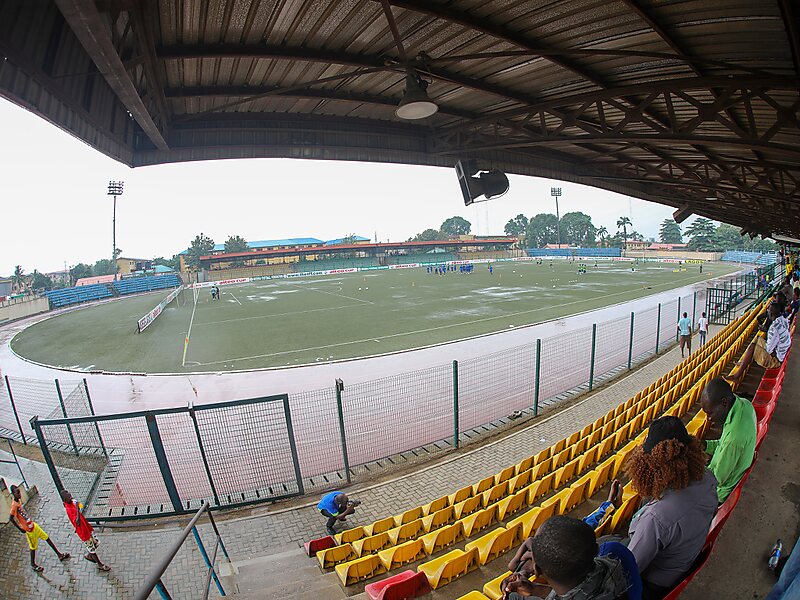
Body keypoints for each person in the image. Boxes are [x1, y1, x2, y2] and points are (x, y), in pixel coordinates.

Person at [624, 417, 718, 599]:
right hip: (682, 562)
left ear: (650, 465)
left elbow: (630, 569)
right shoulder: (708, 479)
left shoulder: (656, 518)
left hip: (653, 585)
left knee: (605, 544)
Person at [502, 516, 637, 600]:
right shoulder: (616, 553)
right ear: (597, 549)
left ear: (537, 570)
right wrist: (534, 589)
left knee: (513, 597)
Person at [700, 378, 756, 502]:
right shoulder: (745, 404)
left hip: (719, 494)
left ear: (724, 402)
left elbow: (716, 480)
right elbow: (722, 444)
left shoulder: (734, 438)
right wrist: (705, 445)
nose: (708, 419)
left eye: (710, 413)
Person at [9, 484, 70, 572]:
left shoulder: (18, 501)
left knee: (46, 537)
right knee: (33, 548)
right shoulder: (14, 505)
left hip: (33, 525)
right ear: (13, 494)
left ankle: (59, 555)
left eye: (19, 492)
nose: (19, 494)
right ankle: (33, 564)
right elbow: (11, 518)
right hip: (29, 531)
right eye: (17, 493)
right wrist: (21, 529)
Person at [730, 303, 792, 387]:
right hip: (780, 354)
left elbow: (768, 350)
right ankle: (743, 363)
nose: (767, 311)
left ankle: (736, 376)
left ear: (771, 313)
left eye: (768, 310)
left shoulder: (774, 327)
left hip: (776, 361)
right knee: (757, 339)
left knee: (753, 347)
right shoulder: (782, 320)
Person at [61, 489, 111, 571]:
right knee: (91, 547)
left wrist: (77, 506)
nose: (71, 497)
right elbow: (77, 521)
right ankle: (99, 564)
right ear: (66, 500)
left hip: (86, 527)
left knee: (96, 543)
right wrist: (77, 508)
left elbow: (79, 508)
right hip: (83, 532)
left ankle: (90, 555)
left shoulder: (72, 503)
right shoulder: (69, 510)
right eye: (69, 497)